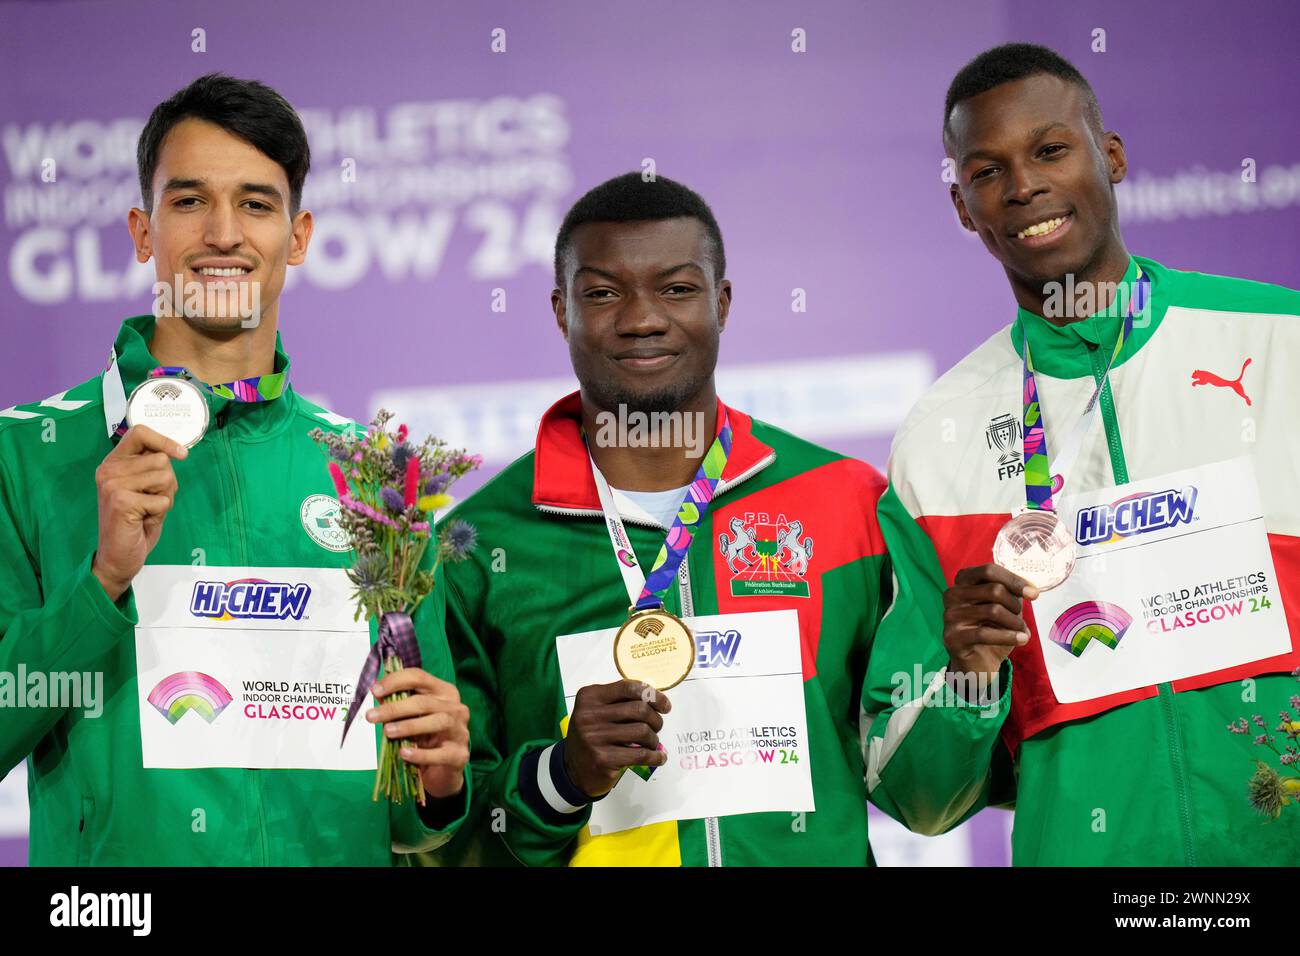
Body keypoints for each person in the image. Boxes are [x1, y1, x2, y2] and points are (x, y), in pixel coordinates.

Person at [431, 172, 1006, 867]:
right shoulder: (479, 547)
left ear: (722, 301)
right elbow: (442, 840)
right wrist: (559, 776)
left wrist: (972, 676)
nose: (642, 318)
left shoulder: (846, 501)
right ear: (562, 311)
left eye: (677, 288)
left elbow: (926, 798)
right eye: (603, 293)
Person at [0, 74, 470, 865]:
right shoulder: (26, 453)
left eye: (256, 203)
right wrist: (102, 583)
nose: (224, 233)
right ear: (144, 232)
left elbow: (414, 818)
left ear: (299, 236)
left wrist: (443, 785)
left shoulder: (376, 477)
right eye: (189, 202)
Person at [875, 42, 1300, 864]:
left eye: (1049, 150)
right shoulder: (938, 439)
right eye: (986, 170)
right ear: (964, 207)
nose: (1023, 185)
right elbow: (917, 800)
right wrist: (968, 673)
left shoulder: (1283, 342)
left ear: (1110, 157)